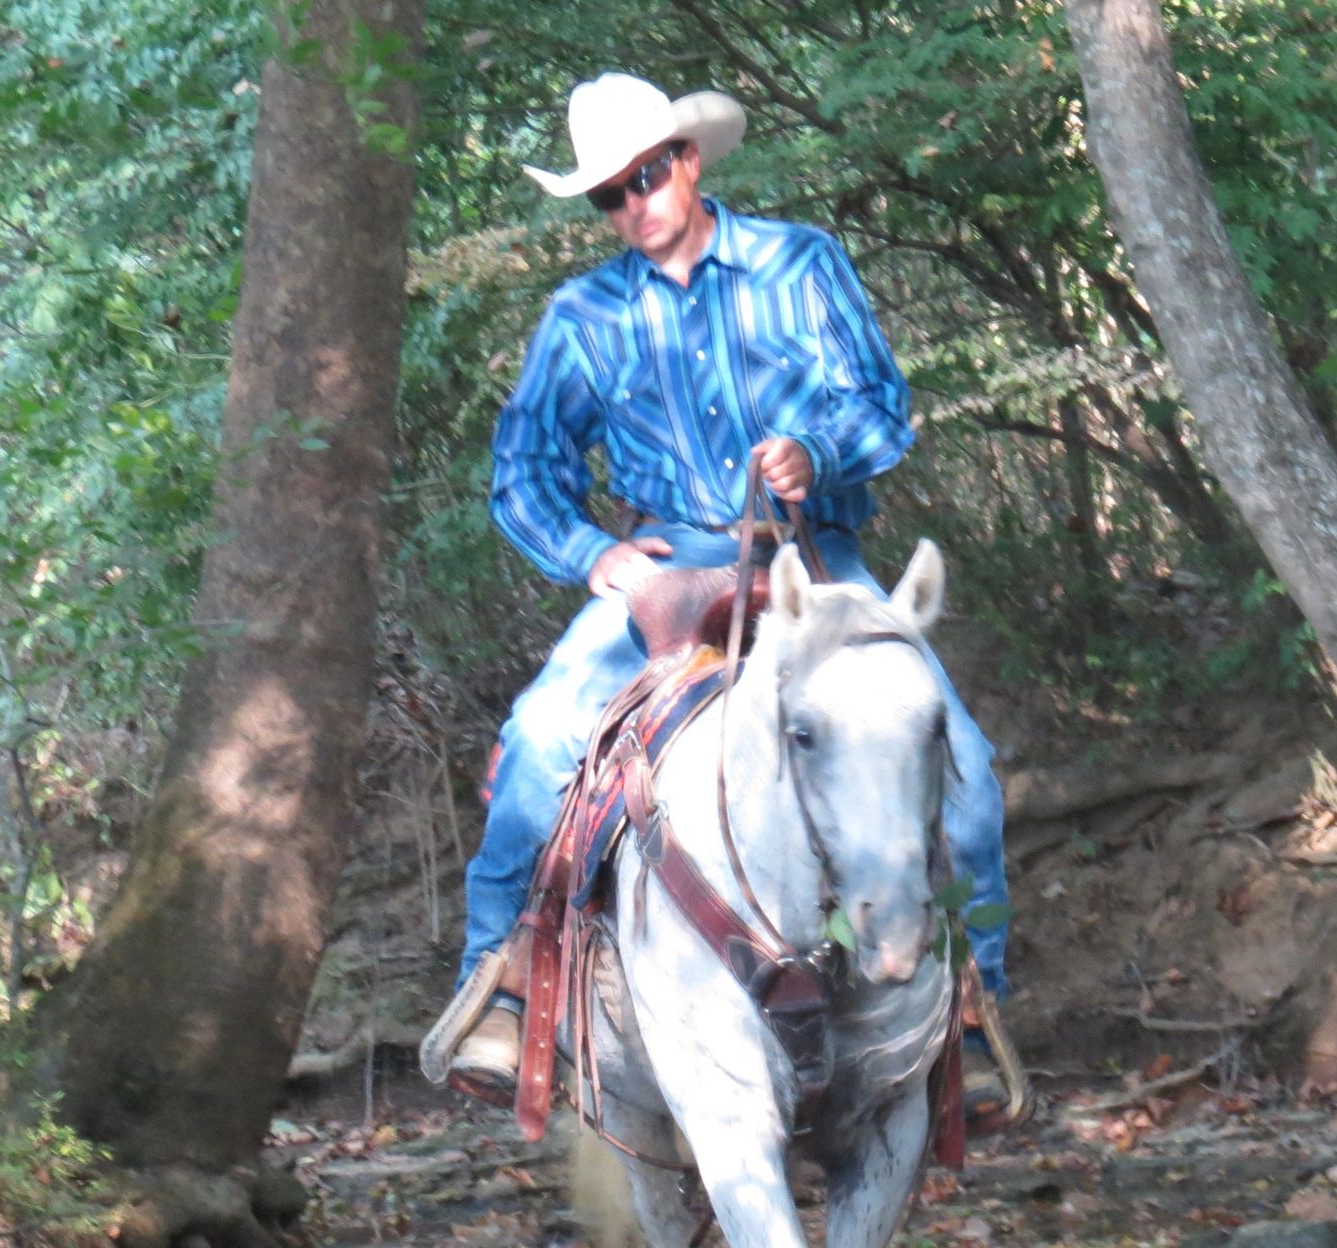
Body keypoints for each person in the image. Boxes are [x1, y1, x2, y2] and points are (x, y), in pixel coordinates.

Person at [422, 72, 1026, 1122]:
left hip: (814, 554)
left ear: (688, 161)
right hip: (667, 570)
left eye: (646, 177)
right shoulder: (581, 316)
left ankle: (972, 1011)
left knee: (962, 761)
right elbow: (522, 475)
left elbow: (882, 405)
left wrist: (814, 453)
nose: (633, 204)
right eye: (609, 194)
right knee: (539, 738)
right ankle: (502, 987)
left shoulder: (802, 262)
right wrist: (595, 557)